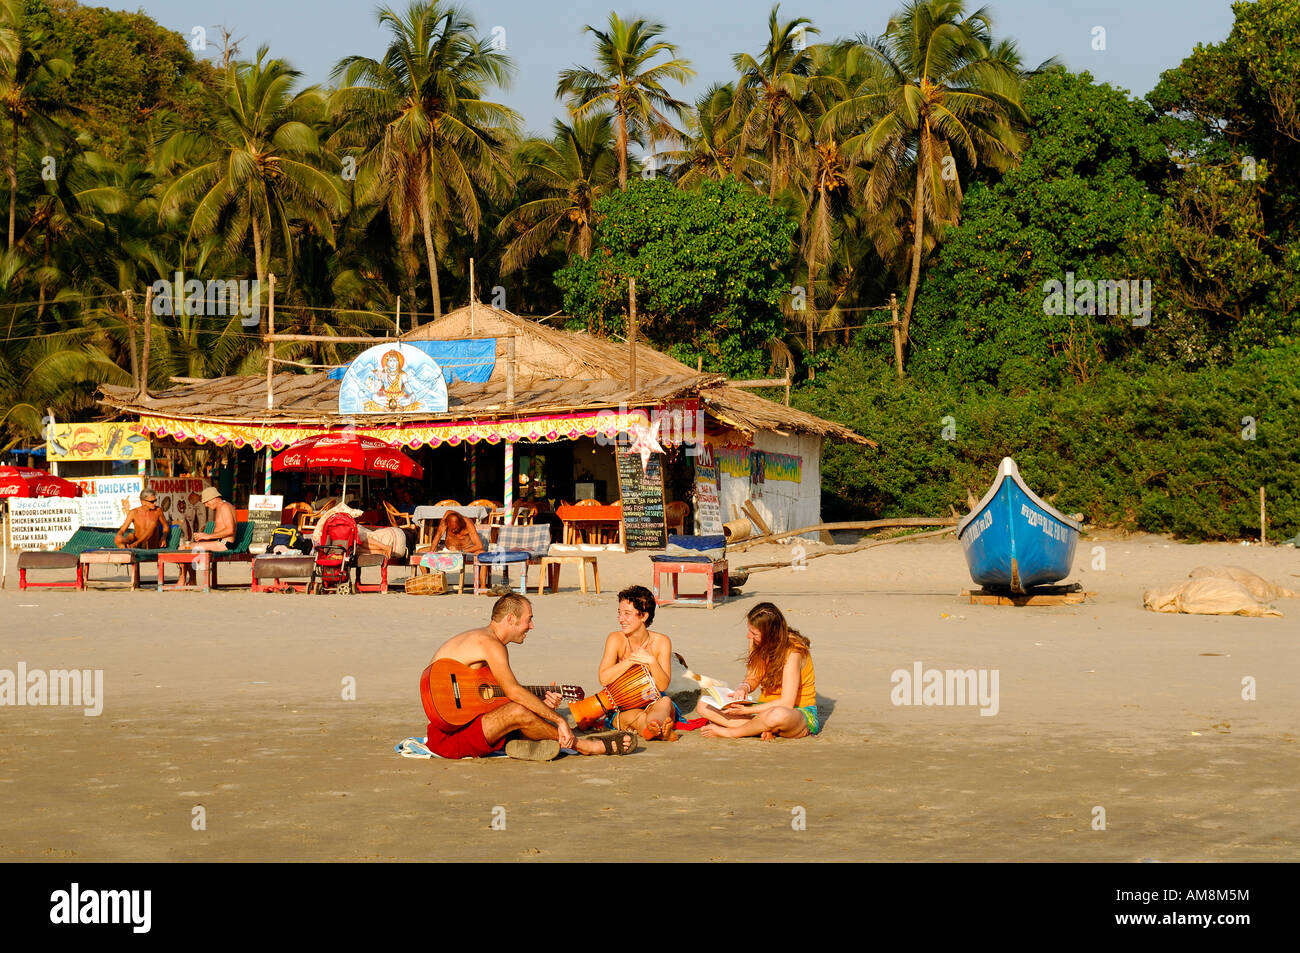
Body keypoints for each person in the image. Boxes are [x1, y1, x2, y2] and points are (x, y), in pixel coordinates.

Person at [426, 593, 637, 760]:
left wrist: (543, 703)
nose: (531, 626)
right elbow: (513, 692)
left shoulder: (477, 637)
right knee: (519, 710)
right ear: (511, 619)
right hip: (450, 737)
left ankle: (525, 740)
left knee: (522, 708)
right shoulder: (490, 644)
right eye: (529, 619)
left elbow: (485, 698)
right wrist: (559, 720)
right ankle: (585, 746)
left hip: (453, 724)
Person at [700, 602, 819, 740]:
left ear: (770, 635)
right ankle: (761, 728)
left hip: (797, 713)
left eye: (754, 633)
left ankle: (733, 732)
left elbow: (787, 703)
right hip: (763, 710)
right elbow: (754, 676)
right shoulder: (757, 642)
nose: (748, 636)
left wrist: (747, 710)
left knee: (778, 715)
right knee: (704, 704)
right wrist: (743, 687)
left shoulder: (793, 652)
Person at [594, 585, 680, 742]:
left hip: (653, 701)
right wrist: (630, 660)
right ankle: (659, 732)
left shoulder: (661, 642)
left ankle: (656, 727)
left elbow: (662, 686)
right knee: (638, 716)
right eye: (619, 613)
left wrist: (651, 661)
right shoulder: (616, 639)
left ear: (644, 616)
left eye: (627, 614)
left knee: (665, 702)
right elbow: (604, 678)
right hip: (623, 706)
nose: (621, 619)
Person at [189, 487, 237, 552]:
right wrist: (202, 537)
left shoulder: (224, 506)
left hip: (224, 544)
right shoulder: (220, 507)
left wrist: (208, 536)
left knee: (186, 548)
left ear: (214, 498)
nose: (206, 505)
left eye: (206, 502)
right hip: (219, 542)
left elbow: (230, 530)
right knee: (186, 546)